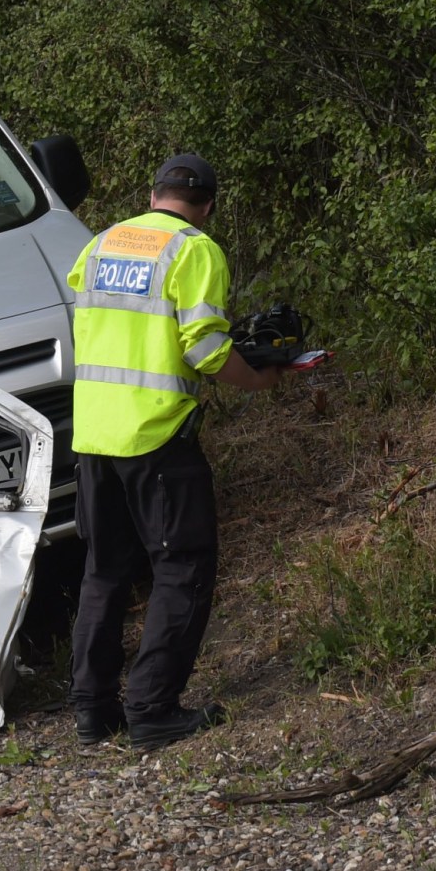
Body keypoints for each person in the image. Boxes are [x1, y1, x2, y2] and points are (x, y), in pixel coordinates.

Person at [64, 153, 280, 749]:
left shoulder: (101, 244)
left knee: (104, 571)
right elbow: (207, 349)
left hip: (94, 435)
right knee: (182, 568)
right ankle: (154, 710)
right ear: (208, 205)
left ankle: (92, 710)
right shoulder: (194, 249)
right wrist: (260, 379)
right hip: (156, 435)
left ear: (152, 193)